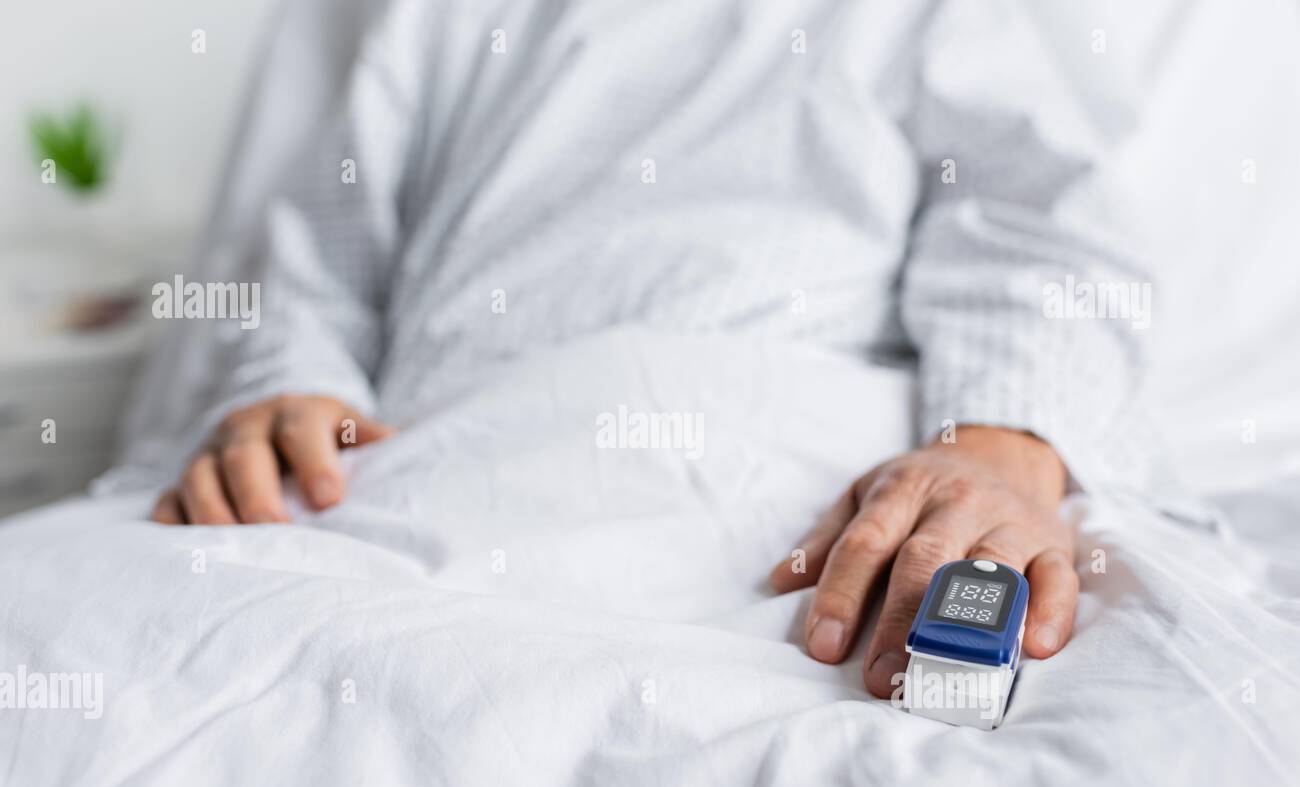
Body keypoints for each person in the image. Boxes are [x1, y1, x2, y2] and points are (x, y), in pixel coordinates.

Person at [150, 0, 1151, 699]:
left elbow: (1037, 229)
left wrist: (997, 450)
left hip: (776, 485)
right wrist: (291, 386)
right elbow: (315, 251)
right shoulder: (409, 14)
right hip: (407, 469)